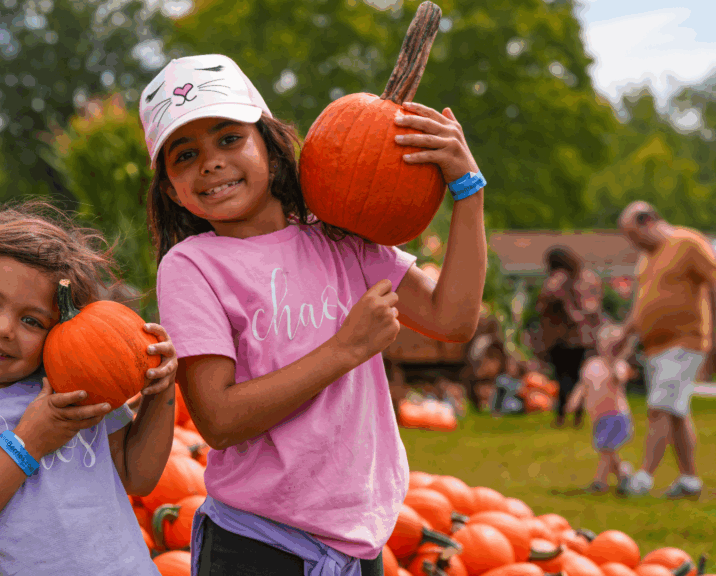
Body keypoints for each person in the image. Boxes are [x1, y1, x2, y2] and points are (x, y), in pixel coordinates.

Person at [139, 54, 488, 575]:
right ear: (172, 189)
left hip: (358, 542)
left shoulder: (341, 241)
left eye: (229, 138)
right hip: (254, 546)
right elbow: (218, 419)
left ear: (272, 151)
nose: (210, 162)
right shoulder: (191, 266)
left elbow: (452, 318)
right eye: (184, 155)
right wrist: (344, 350)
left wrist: (467, 189)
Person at [0, 201, 179, 575]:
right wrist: (28, 442)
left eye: (32, 320)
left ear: (58, 332)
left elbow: (137, 476)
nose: (4, 328)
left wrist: (161, 390)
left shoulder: (73, 386)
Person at [615, 201, 716, 499]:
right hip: (656, 346)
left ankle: (643, 478)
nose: (634, 244)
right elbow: (642, 305)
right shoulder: (646, 259)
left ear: (650, 222)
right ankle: (690, 481)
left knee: (660, 407)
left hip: (686, 340)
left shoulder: (687, 243)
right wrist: (623, 334)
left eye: (635, 236)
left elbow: (713, 281)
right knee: (675, 410)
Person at [533, 246, 607, 428]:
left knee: (563, 378)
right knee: (579, 378)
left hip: (561, 339)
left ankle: (562, 416)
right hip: (583, 338)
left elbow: (544, 302)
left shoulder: (558, 279)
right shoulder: (587, 277)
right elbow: (594, 307)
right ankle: (577, 417)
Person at [564, 323, 635, 493]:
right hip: (599, 417)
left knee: (606, 449)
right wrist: (575, 400)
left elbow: (618, 379)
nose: (609, 348)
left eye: (614, 345)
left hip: (617, 416)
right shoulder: (591, 364)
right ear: (599, 344)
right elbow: (583, 385)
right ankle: (624, 476)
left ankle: (599, 482)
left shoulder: (620, 366)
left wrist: (613, 362)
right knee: (608, 450)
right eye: (606, 343)